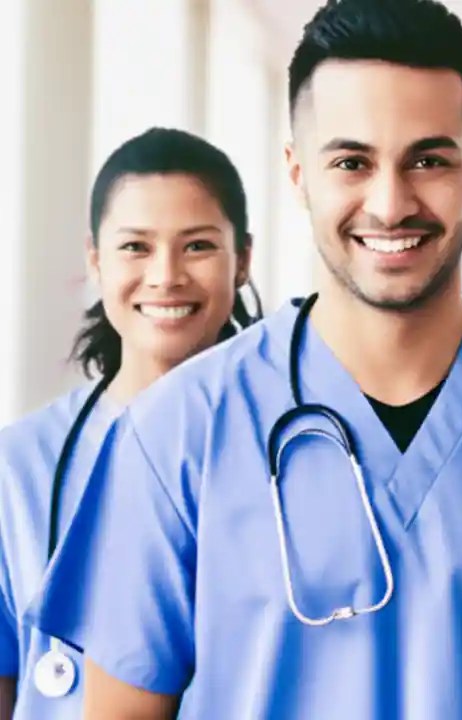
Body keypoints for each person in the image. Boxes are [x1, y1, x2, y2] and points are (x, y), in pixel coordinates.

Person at [25, 1, 462, 718]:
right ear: (297, 173)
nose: (390, 202)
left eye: (429, 161)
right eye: (352, 162)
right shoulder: (177, 433)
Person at [0, 126, 260, 720]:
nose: (165, 275)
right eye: (135, 247)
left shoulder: (290, 447)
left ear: (242, 259)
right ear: (95, 258)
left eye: (197, 246)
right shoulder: (20, 465)